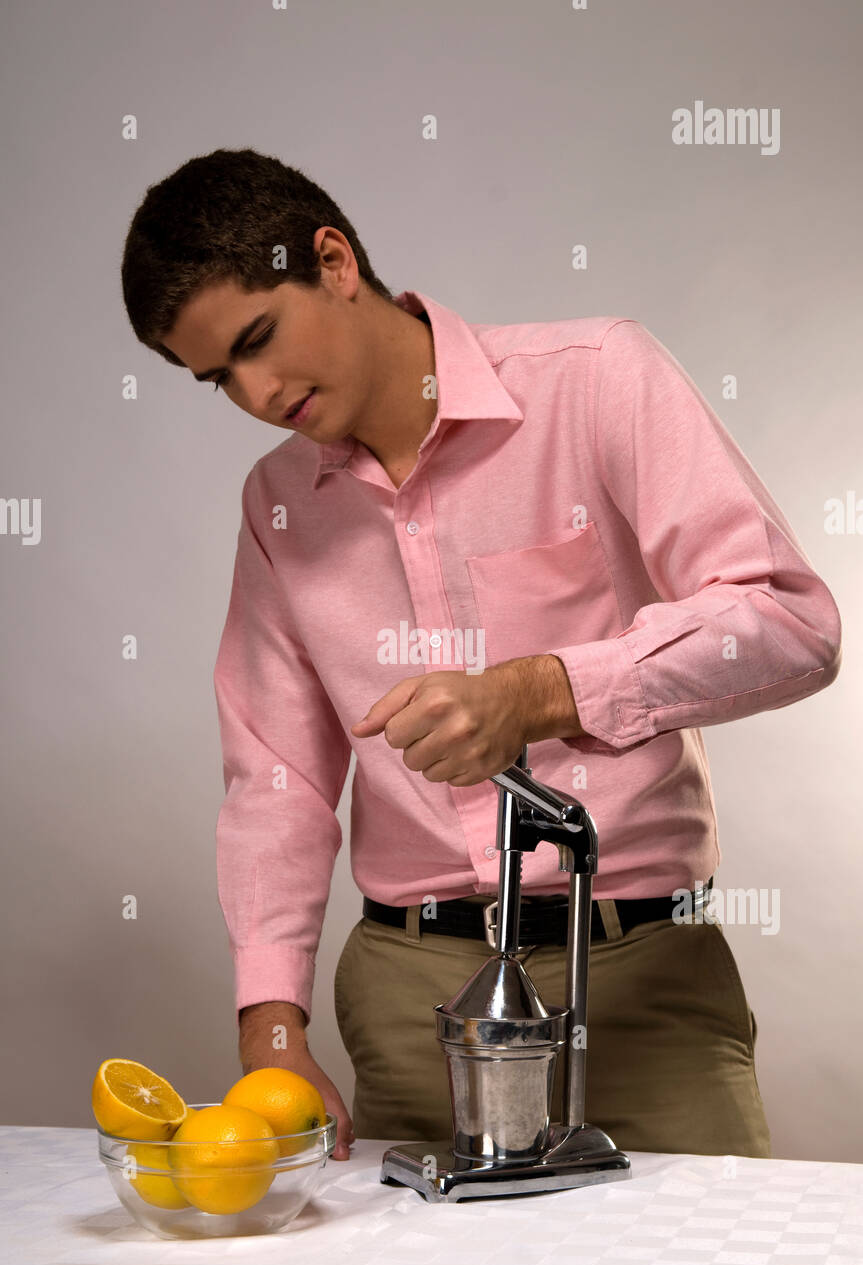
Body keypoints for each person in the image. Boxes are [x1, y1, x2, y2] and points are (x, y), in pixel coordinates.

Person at [121, 147, 842, 1163]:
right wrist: (269, 1025)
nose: (255, 389)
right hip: (414, 1004)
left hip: (639, 986)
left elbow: (787, 623)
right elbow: (273, 780)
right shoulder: (277, 504)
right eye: (217, 377)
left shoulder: (595, 382)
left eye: (257, 338)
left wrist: (540, 689)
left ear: (331, 261)